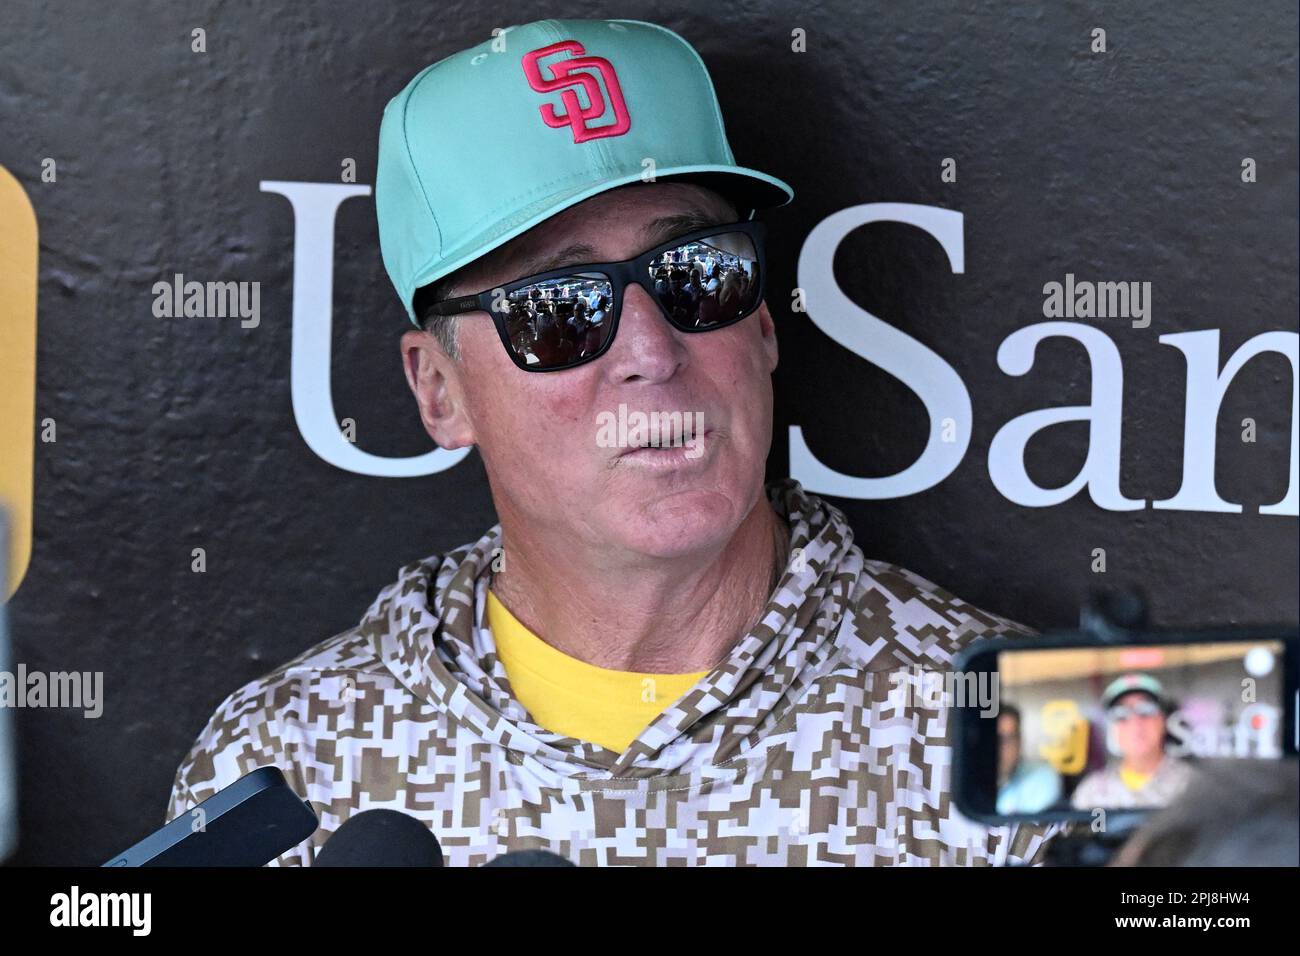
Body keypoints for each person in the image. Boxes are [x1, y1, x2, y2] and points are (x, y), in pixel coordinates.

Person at [166, 17, 1058, 866]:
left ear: (763, 327)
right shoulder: (286, 764)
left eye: (698, 274)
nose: (651, 350)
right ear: (440, 392)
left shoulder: (1030, 734)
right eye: (559, 309)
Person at [1071, 673, 1196, 810]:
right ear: (1112, 728)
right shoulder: (1092, 792)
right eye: (1120, 713)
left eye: (1146, 710)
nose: (1135, 723)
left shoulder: (1192, 785)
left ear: (1163, 720)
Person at [997, 704, 1063, 815]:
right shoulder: (964, 779)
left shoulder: (1042, 778)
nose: (1001, 747)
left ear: (1019, 742)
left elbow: (1031, 829)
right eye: (996, 739)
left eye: (1008, 739)